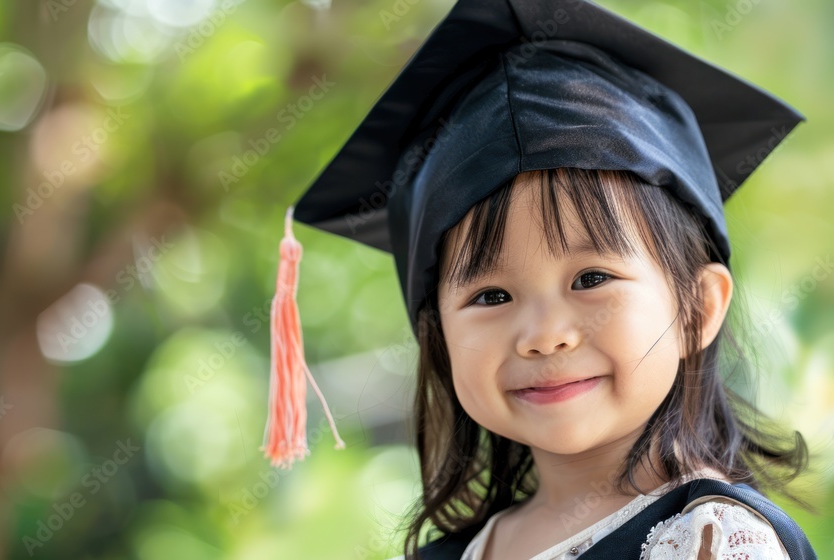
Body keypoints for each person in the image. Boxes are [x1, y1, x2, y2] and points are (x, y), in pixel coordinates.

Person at [262, 0, 822, 558]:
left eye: (591, 277)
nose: (545, 334)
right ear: (437, 334)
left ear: (697, 308)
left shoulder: (712, 540)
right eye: (492, 295)